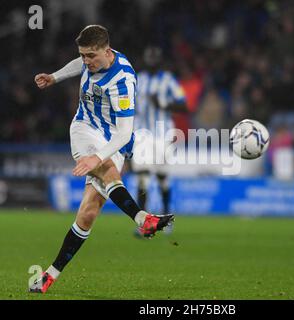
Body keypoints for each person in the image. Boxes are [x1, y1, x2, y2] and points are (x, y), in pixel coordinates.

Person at [29, 25, 174, 294]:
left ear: (107, 52)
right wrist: (55, 77)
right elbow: (78, 64)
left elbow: (124, 133)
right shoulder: (93, 58)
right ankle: (142, 218)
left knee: (88, 213)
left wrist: (96, 156)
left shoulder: (122, 82)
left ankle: (49, 275)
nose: (86, 62)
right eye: (83, 55)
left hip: (112, 141)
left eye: (91, 57)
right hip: (84, 127)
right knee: (107, 173)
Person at [131, 46, 187, 232]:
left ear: (160, 60)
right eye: (150, 57)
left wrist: (162, 103)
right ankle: (144, 222)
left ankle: (165, 217)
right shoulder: (139, 79)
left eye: (155, 57)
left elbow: (183, 106)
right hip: (142, 133)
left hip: (163, 133)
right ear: (146, 59)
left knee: (163, 177)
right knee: (142, 179)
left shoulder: (168, 80)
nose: (152, 61)